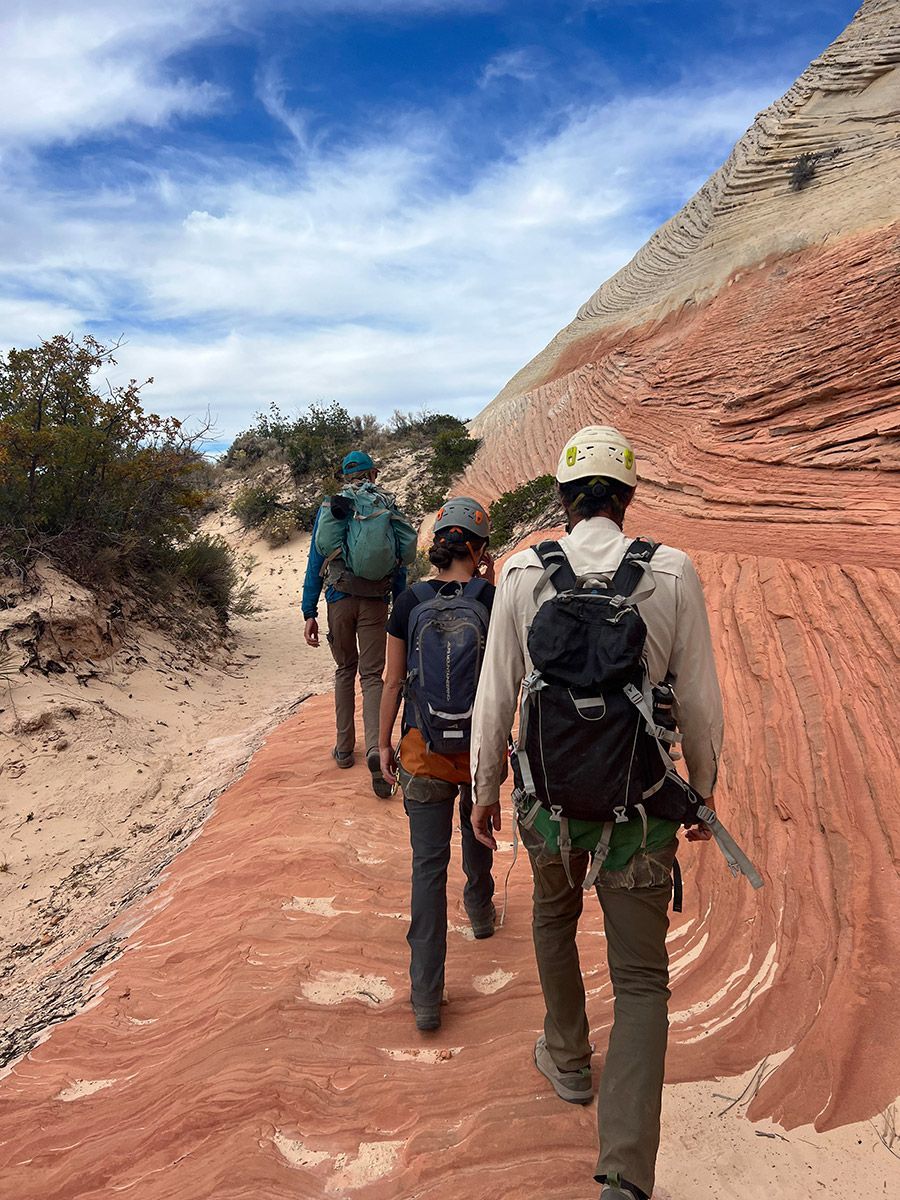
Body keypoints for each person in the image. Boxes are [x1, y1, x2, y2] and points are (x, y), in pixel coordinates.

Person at [469, 427, 724, 1200]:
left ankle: (570, 1059)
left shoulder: (520, 573)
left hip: (547, 806)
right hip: (640, 807)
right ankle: (625, 1173)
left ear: (563, 497)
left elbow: (496, 693)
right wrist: (703, 792)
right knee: (643, 981)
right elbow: (702, 706)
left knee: (552, 917)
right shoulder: (672, 572)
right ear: (629, 496)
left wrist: (484, 788)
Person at [379, 497, 497, 1033]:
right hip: (475, 749)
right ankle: (479, 908)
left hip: (421, 750)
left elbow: (393, 680)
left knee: (427, 868)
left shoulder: (409, 601)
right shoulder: (490, 599)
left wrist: (383, 743)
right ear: (478, 549)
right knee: (477, 828)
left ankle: (426, 995)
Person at [302, 450, 409, 799]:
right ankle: (378, 748)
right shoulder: (385, 506)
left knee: (345, 669)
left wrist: (309, 611)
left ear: (344, 477)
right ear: (373, 473)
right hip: (376, 601)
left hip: (338, 599)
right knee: (373, 675)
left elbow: (315, 559)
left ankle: (345, 748)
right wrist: (400, 603)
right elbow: (399, 562)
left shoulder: (333, 507)